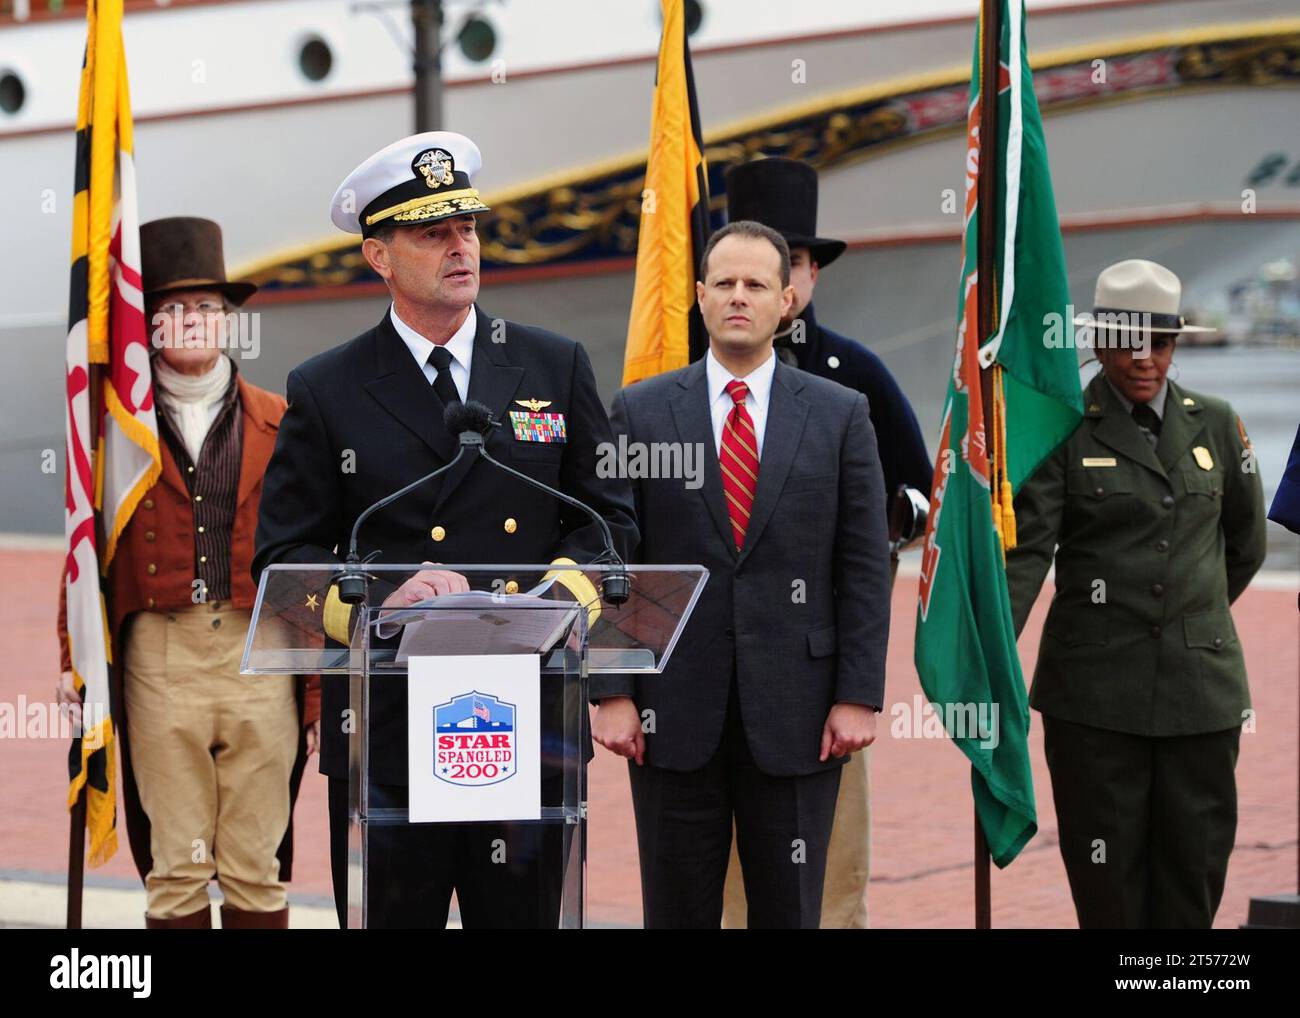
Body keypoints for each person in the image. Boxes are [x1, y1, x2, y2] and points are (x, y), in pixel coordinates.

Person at [252, 131, 637, 929]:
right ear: (379, 258)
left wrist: (548, 606)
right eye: (433, 233)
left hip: (524, 718)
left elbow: (608, 523)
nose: (461, 246)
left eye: (467, 226)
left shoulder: (551, 365)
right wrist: (387, 603)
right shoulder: (326, 388)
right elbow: (282, 560)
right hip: (390, 729)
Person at [591, 220, 893, 928]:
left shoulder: (840, 415)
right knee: (677, 911)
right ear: (698, 296)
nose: (738, 297)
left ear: (786, 301)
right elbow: (613, 557)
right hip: (670, 716)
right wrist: (612, 690)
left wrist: (859, 695)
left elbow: (862, 567)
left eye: (756, 284)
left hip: (800, 714)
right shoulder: (641, 410)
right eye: (723, 283)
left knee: (789, 911)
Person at [56, 217, 317, 929]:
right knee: (175, 870)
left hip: (262, 654)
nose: (191, 322)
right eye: (171, 309)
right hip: (158, 656)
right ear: (148, 325)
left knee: (255, 870)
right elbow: (85, 550)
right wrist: (73, 662)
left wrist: (318, 693)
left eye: (205, 307)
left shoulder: (281, 422)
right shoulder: (115, 433)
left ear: (227, 321)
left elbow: (304, 558)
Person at [1006, 258, 1267, 928]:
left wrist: (1185, 616)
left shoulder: (1216, 422)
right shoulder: (1063, 427)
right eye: (1128, 340)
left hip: (1199, 697)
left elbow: (1243, 545)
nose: (1145, 357)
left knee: (1194, 874)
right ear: (1099, 343)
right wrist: (991, 653)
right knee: (1108, 886)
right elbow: (1029, 551)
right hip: (1095, 700)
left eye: (1162, 341)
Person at [719, 156, 933, 928]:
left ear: (806, 276)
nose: (778, 277)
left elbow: (916, 493)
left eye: (797, 261)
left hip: (816, 664)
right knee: (722, 874)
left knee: (832, 870)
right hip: (715, 666)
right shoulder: (684, 372)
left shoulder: (854, 375)